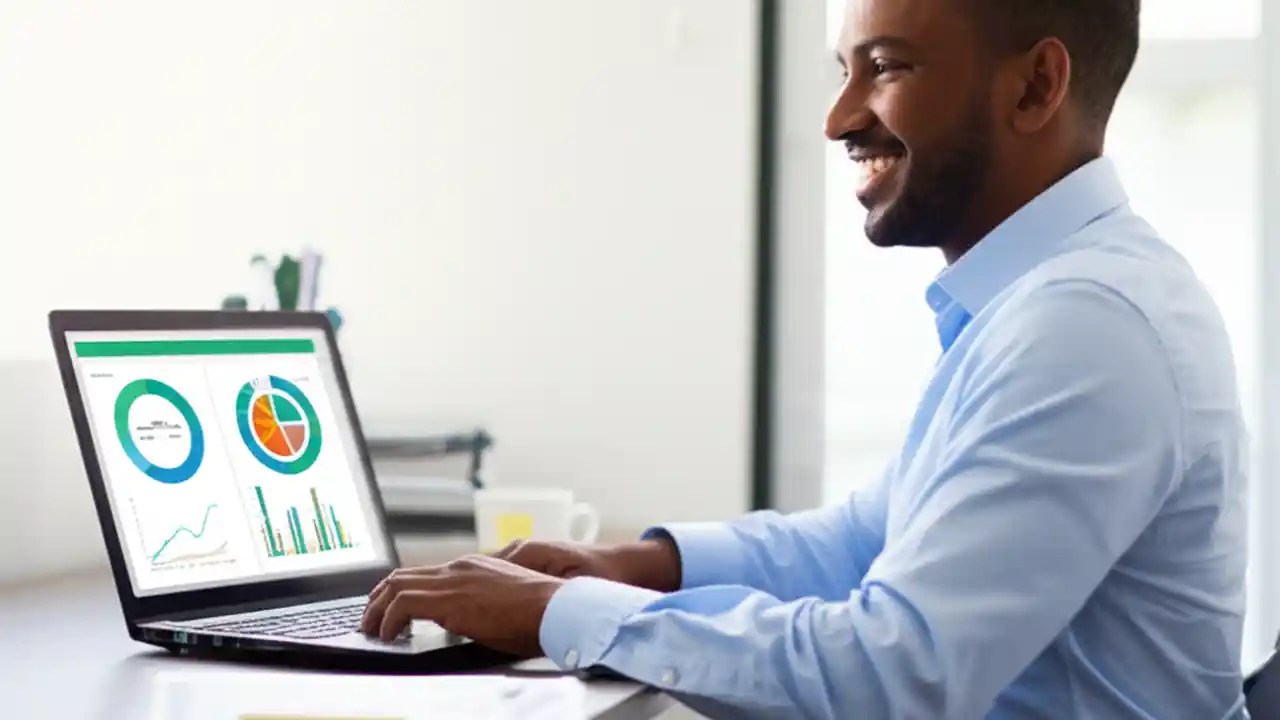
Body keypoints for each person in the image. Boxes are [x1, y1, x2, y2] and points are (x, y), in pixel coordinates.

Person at [362, 0, 1250, 716]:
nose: (837, 119)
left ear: (1035, 87)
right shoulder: (1053, 298)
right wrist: (634, 566)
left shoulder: (1085, 325)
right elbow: (870, 536)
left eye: (888, 66)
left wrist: (557, 613)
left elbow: (890, 679)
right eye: (843, 70)